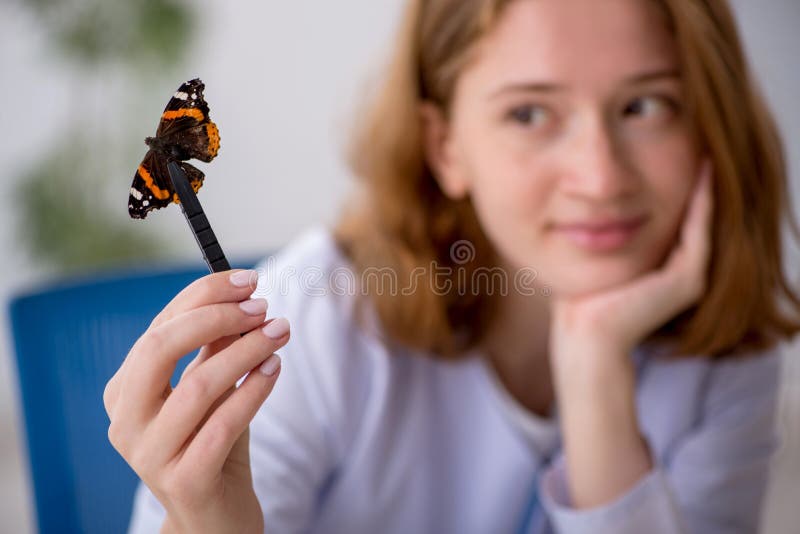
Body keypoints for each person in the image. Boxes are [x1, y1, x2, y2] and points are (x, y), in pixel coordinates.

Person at [104, 0, 800, 532]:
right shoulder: (312, 320)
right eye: (530, 114)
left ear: (709, 120)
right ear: (446, 149)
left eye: (645, 105)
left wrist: (595, 372)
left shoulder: (729, 351)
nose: (600, 177)